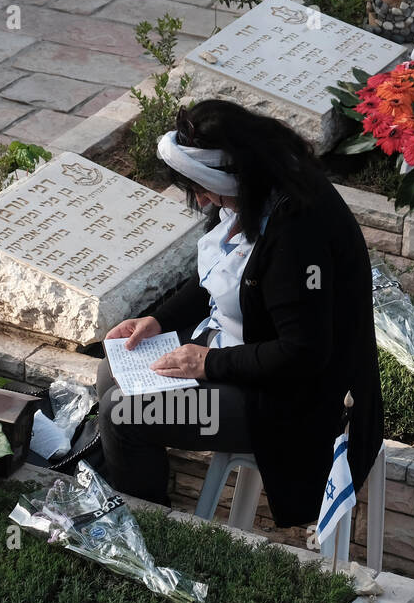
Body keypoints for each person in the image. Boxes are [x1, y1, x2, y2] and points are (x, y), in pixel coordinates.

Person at [96, 99, 383, 530]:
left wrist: (207, 363)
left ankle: (148, 531)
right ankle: (145, 503)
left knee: (123, 415)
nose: (200, 198)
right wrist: (157, 321)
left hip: (293, 403)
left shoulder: (297, 232)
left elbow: (303, 353)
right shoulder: (252, 191)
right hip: (242, 361)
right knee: (110, 373)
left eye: (202, 187)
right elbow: (223, 275)